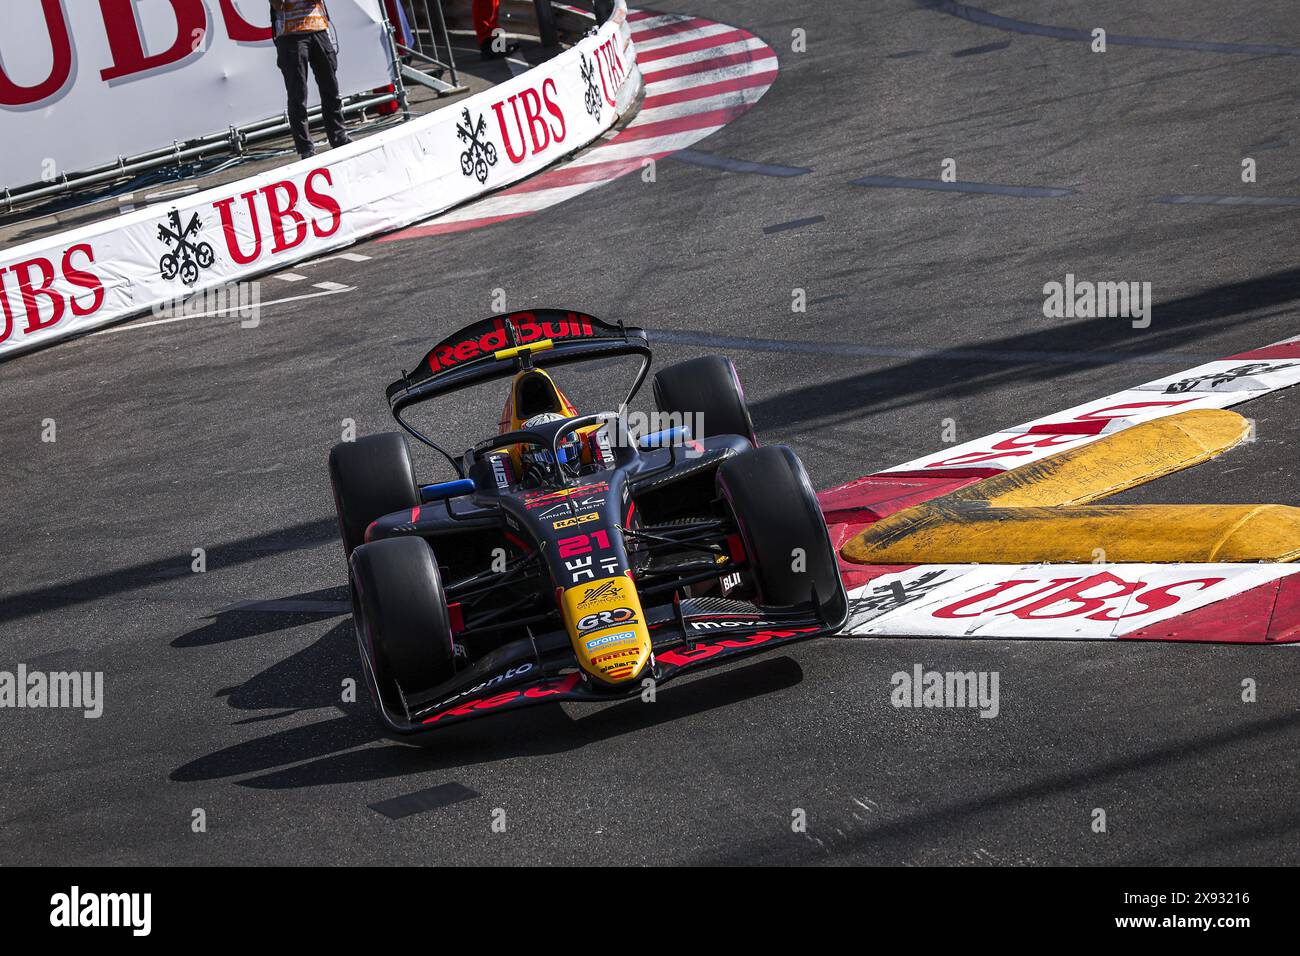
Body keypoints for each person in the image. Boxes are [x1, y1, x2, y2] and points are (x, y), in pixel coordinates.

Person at [270, 1, 353, 158]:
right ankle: (305, 147)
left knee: (331, 87)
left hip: (318, 29)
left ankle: (339, 136)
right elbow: (277, 4)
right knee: (297, 94)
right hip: (290, 36)